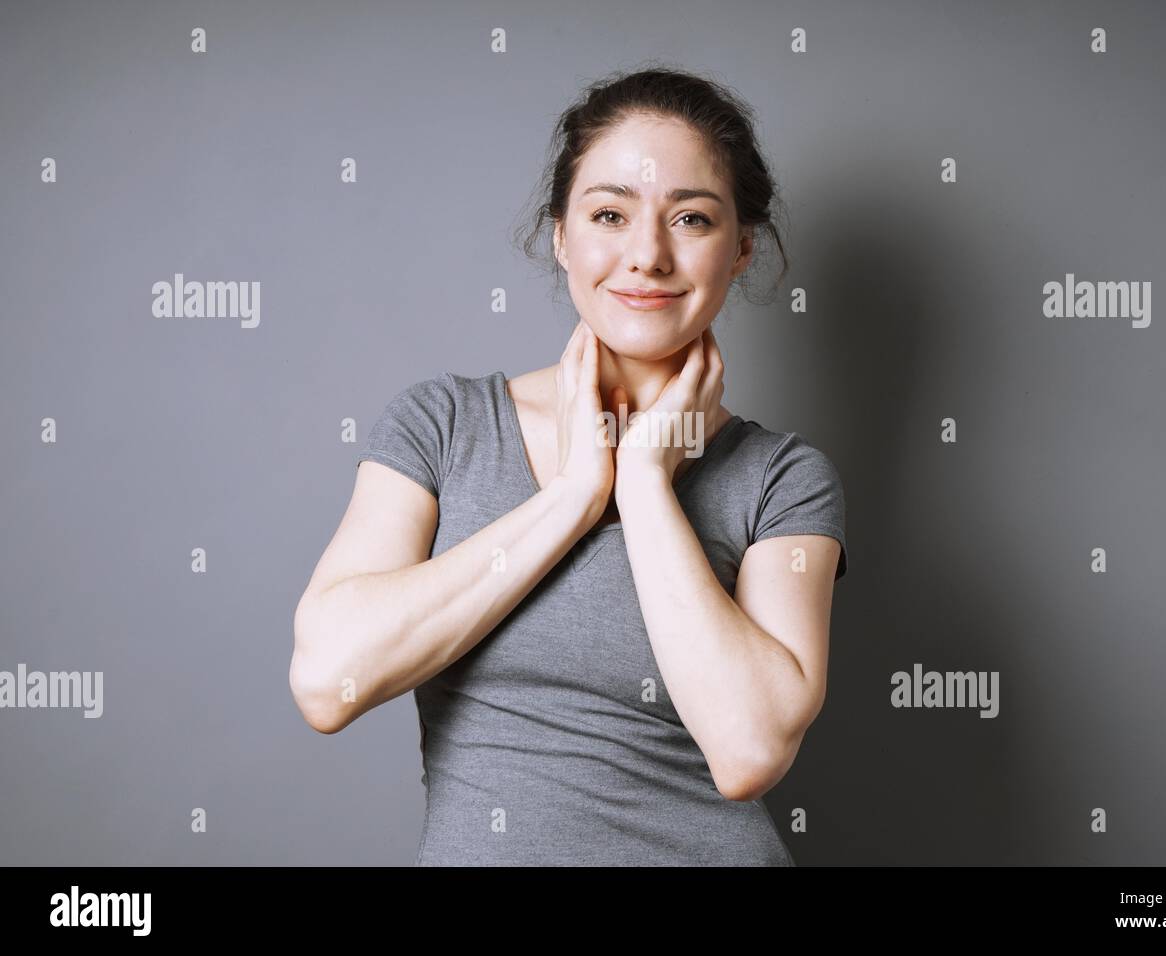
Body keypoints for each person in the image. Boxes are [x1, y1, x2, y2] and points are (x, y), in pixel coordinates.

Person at [290, 65, 848, 866]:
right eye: (610, 213)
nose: (648, 255)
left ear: (741, 249)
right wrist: (578, 494)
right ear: (561, 235)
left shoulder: (782, 478)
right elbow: (326, 681)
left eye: (690, 217)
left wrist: (647, 488)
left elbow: (749, 751)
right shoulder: (445, 426)